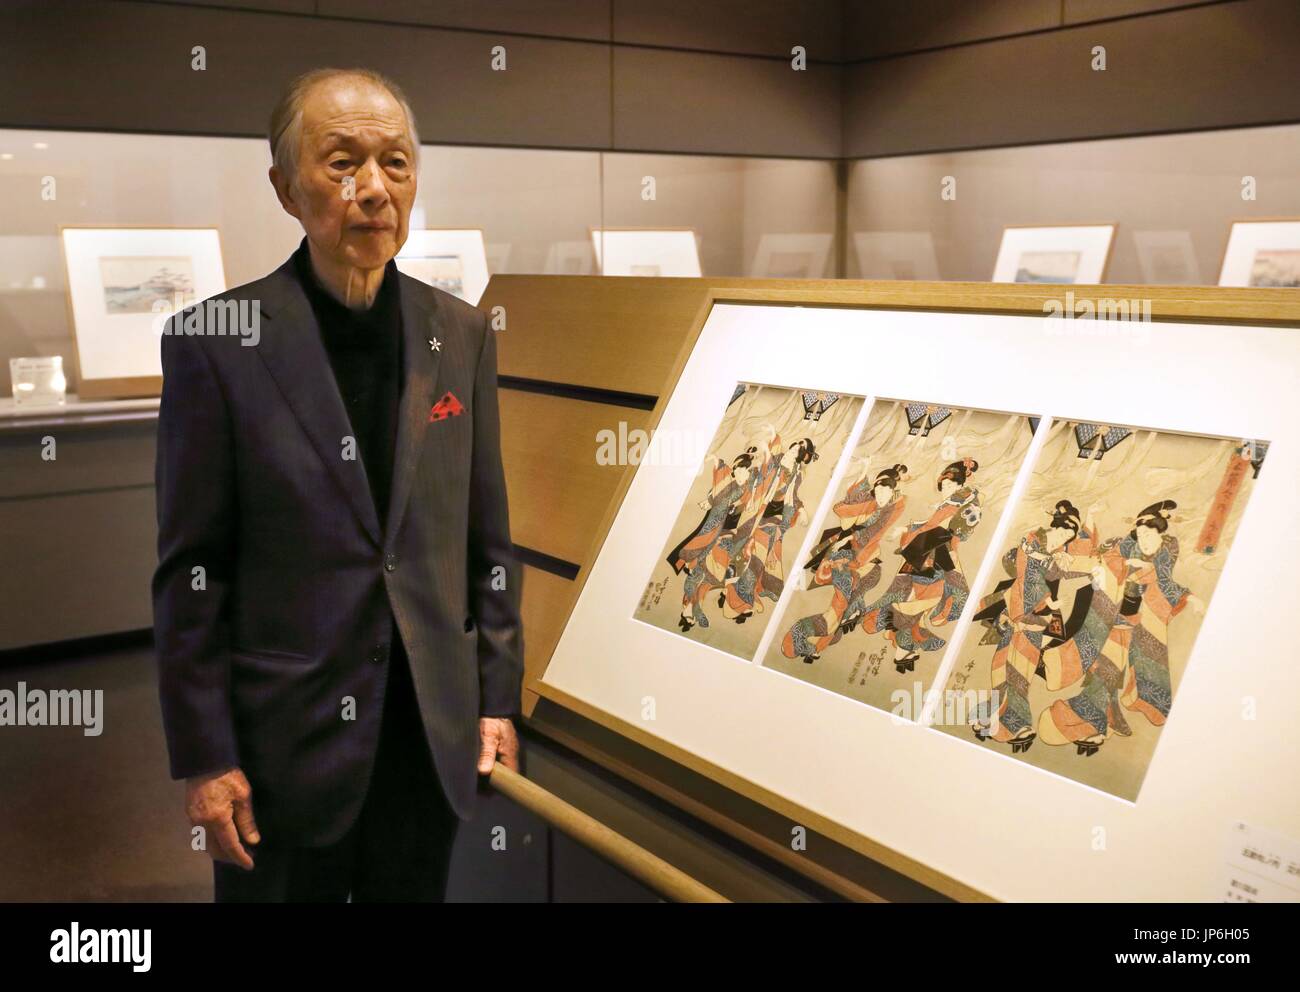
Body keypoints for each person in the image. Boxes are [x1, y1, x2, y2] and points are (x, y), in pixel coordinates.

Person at [152, 67, 523, 902]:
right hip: (285, 744)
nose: (373, 190)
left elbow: (484, 534)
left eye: (395, 162)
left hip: (425, 733)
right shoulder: (216, 344)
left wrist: (496, 696)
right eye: (342, 162)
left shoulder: (459, 332)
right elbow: (190, 572)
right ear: (285, 188)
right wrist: (206, 757)